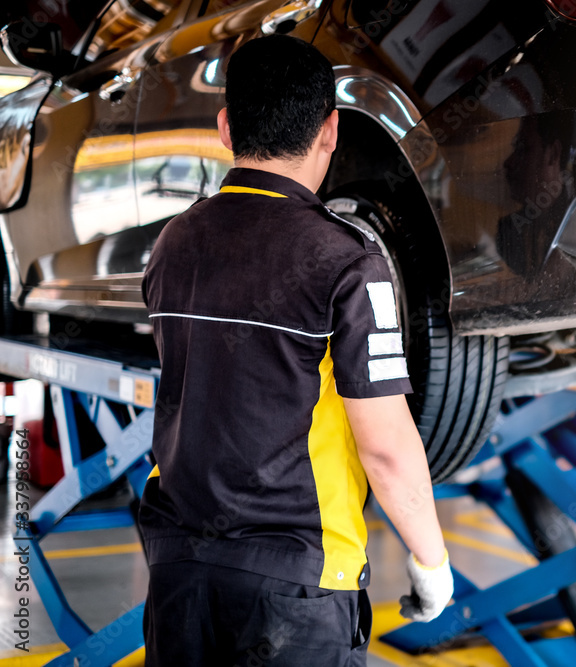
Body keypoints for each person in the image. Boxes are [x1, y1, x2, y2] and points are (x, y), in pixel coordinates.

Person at [138, 35, 453, 667]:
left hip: (179, 571)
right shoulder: (347, 262)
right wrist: (431, 562)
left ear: (226, 128)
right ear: (331, 131)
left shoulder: (175, 242)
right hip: (297, 584)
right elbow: (386, 446)